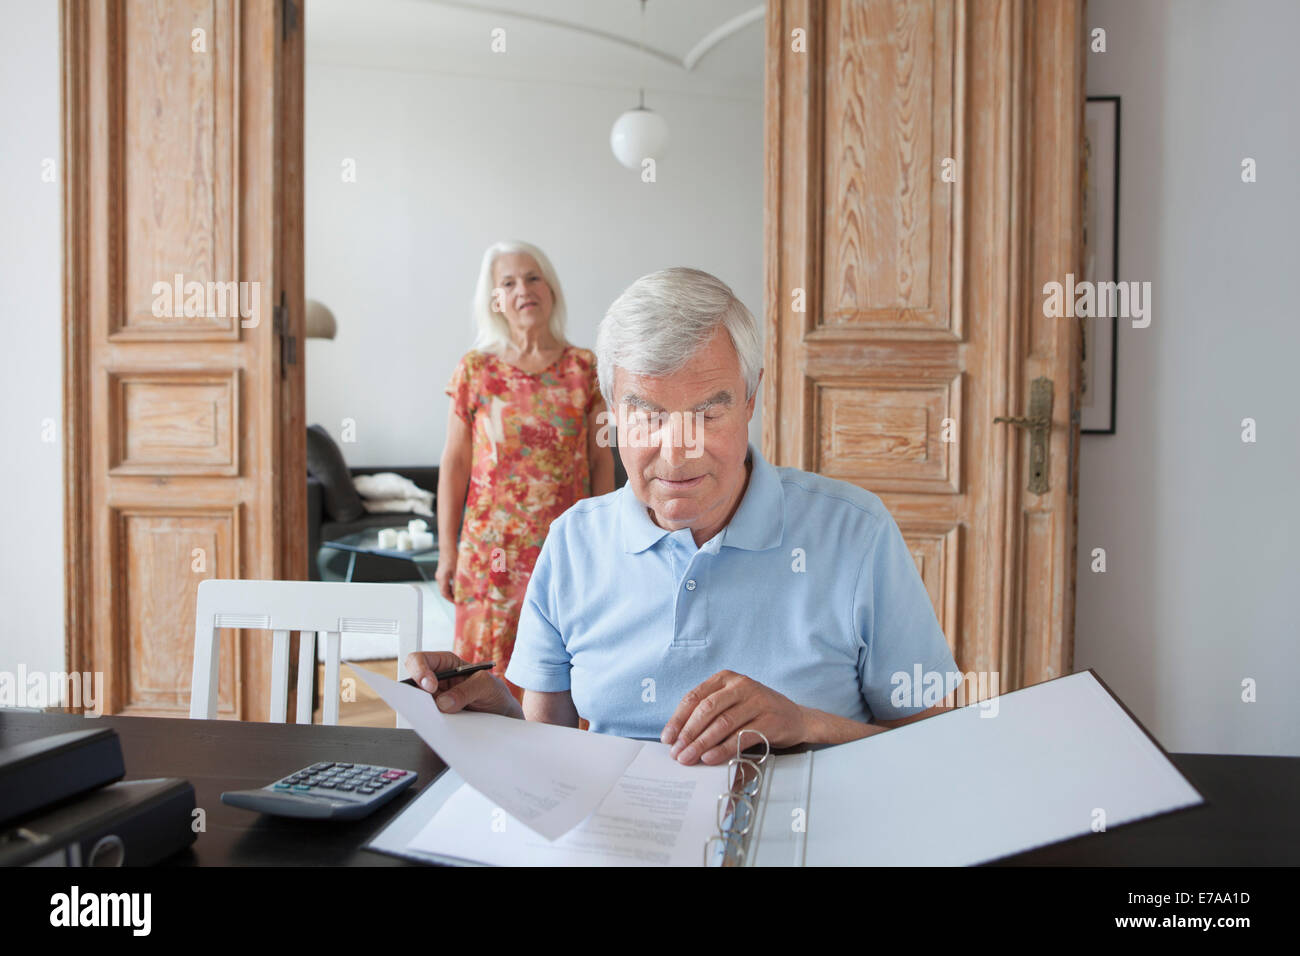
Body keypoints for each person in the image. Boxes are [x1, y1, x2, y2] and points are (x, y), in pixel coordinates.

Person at [415, 267, 958, 762]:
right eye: (645, 415)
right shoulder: (573, 542)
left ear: (750, 399)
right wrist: (490, 716)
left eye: (707, 412)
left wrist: (804, 724)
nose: (675, 453)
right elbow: (551, 751)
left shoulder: (856, 532)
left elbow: (939, 750)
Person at [437, 240, 615, 704]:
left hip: (564, 550)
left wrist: (606, 541)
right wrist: (446, 551)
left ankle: (559, 771)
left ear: (551, 289)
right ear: (494, 300)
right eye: (508, 282)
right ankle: (479, 771)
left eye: (533, 277)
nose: (523, 290)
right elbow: (455, 464)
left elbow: (601, 460)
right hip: (487, 557)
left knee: (560, 670)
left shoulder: (585, 369)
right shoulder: (476, 369)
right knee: (481, 677)